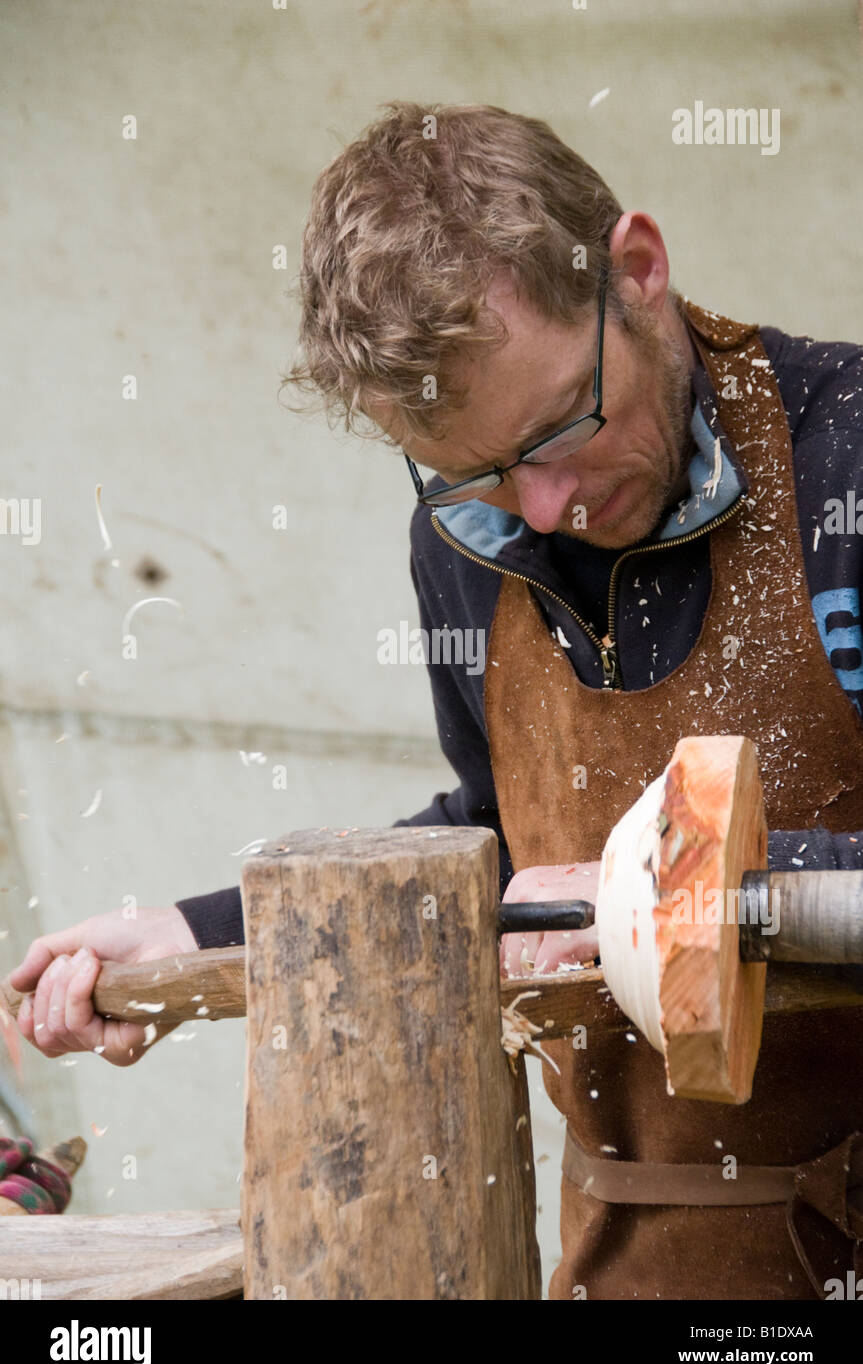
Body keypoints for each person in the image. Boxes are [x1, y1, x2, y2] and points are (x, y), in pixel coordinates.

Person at [10, 102, 863, 1298]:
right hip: (629, 1263)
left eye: (565, 425)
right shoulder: (465, 540)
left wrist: (712, 892)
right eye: (479, 471)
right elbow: (505, 846)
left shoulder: (849, 462)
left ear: (637, 270)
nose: (546, 506)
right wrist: (201, 927)